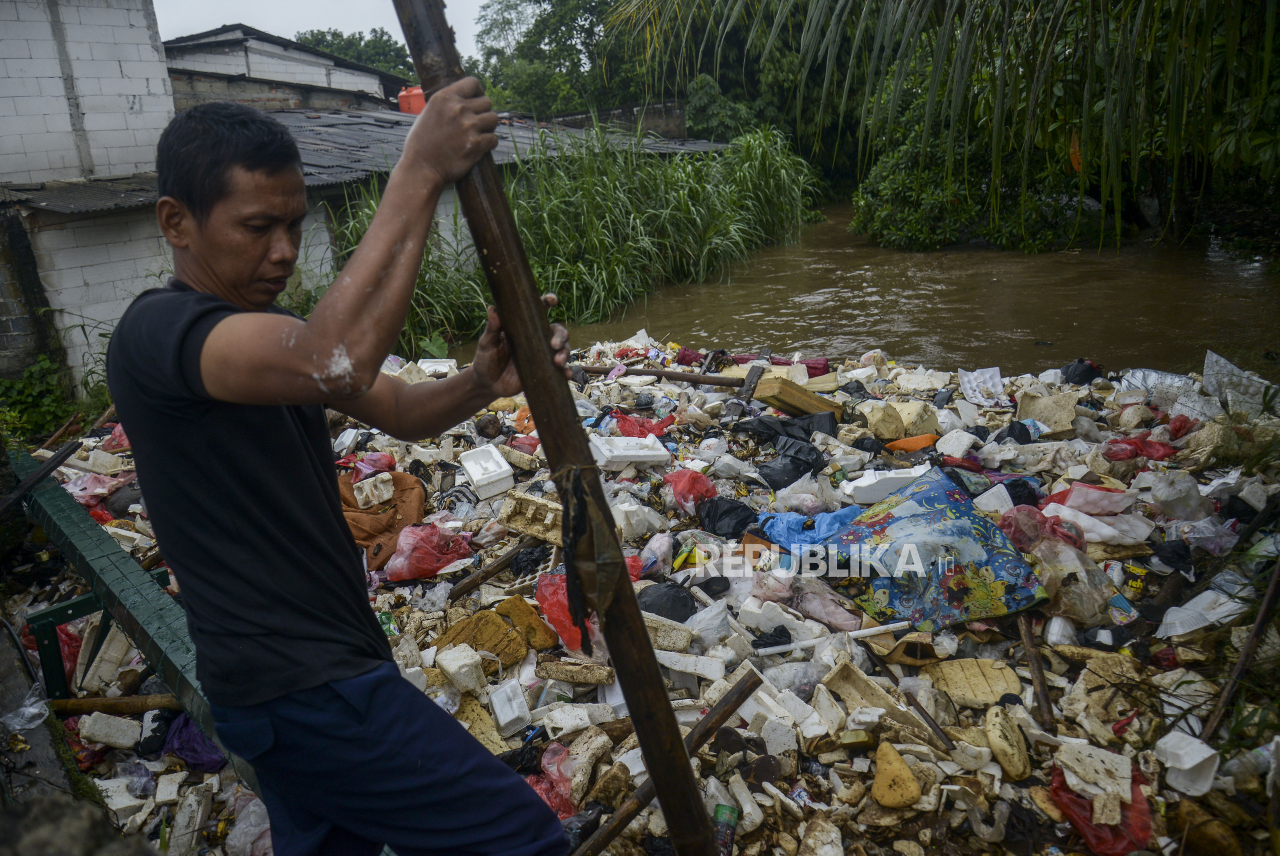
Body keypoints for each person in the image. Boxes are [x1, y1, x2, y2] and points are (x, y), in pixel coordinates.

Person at [107, 80, 571, 856]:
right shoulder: (160, 332)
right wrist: (417, 171)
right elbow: (339, 362)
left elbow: (396, 404)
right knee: (522, 838)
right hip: (303, 688)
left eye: (293, 225)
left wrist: (483, 381)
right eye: (258, 227)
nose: (284, 250)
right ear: (174, 222)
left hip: (300, 681)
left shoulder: (270, 339)